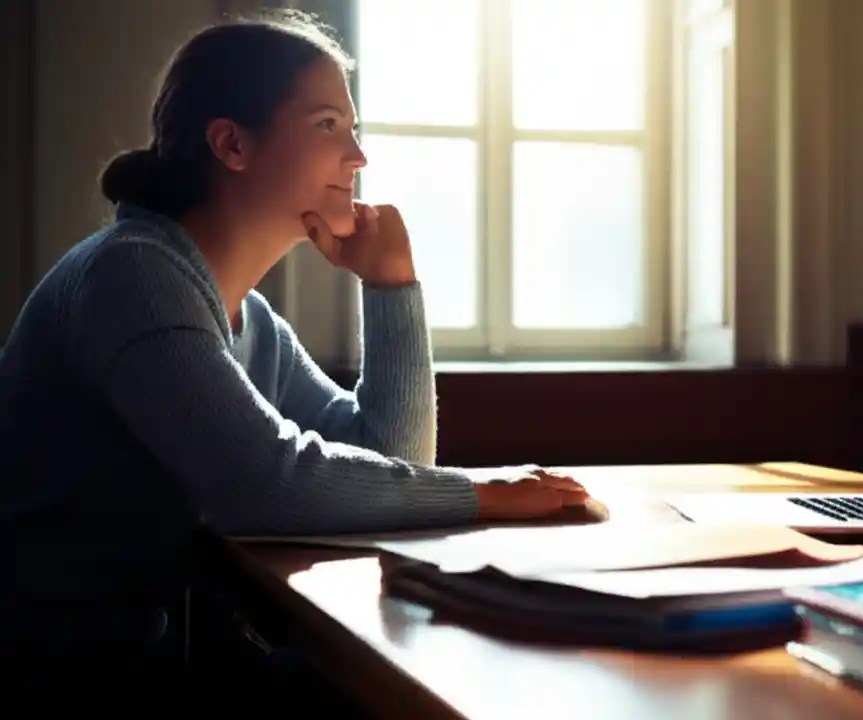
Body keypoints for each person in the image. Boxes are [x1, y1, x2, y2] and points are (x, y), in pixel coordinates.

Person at [0, 9, 591, 706]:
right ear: (232, 144)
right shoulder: (131, 277)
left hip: (151, 652)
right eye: (326, 126)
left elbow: (389, 452)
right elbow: (264, 482)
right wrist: (487, 496)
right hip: (54, 672)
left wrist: (392, 287)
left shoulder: (249, 321)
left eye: (354, 129)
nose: (358, 158)